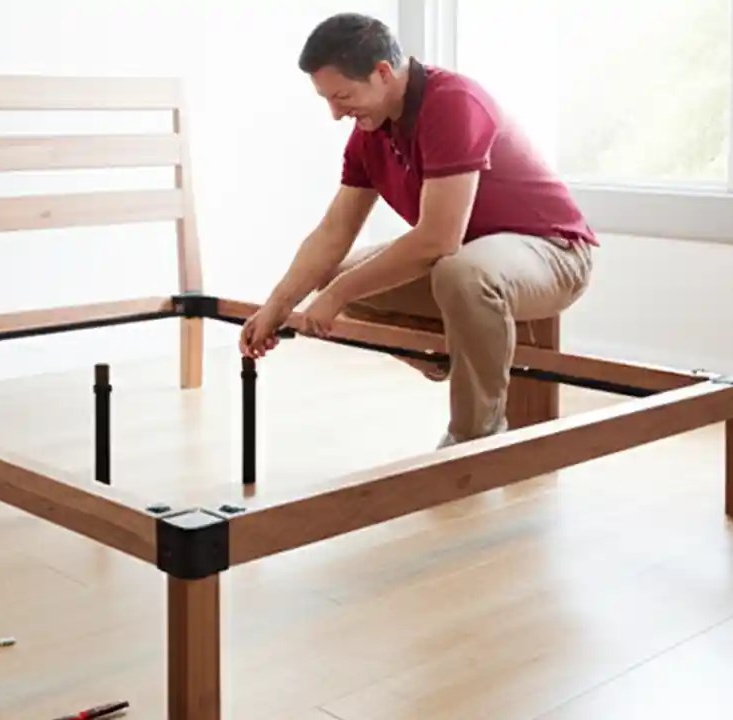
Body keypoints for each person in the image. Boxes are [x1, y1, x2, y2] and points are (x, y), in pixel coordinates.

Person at [238, 12, 598, 448]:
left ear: (383, 73)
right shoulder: (370, 131)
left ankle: (474, 439)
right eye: (327, 100)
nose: (335, 114)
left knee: (457, 274)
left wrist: (337, 297)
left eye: (342, 96)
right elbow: (333, 233)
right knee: (338, 272)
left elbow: (438, 239)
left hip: (553, 251)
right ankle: (456, 354)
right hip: (470, 256)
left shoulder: (454, 104)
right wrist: (277, 305)